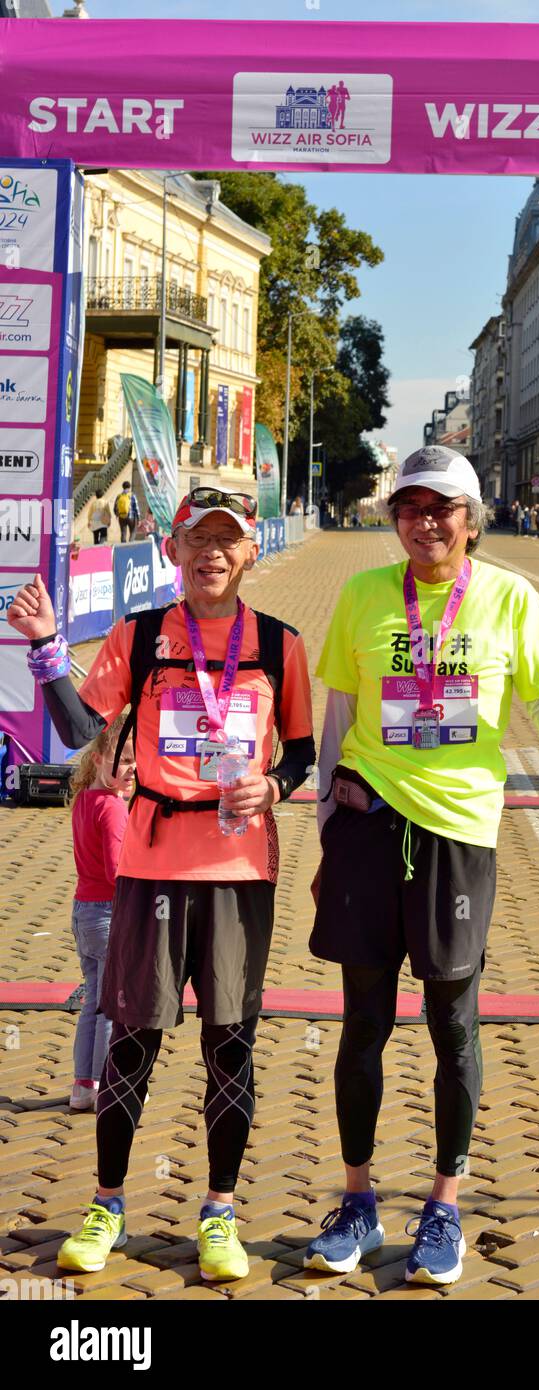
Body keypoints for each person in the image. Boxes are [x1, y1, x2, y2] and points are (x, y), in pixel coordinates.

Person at [304, 445, 539, 1287]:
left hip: (458, 839)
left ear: (472, 521)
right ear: (395, 518)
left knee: (452, 1027)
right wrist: (327, 833)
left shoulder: (507, 599)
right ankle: (356, 1203)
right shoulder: (362, 594)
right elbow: (339, 723)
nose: (425, 523)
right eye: (410, 508)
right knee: (362, 1025)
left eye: (442, 509)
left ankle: (443, 1207)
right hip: (367, 829)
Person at [7, 485, 316, 1284]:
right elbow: (82, 732)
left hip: (238, 869)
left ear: (250, 552)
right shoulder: (140, 636)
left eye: (228, 540)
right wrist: (46, 649)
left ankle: (219, 1212)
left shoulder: (280, 645)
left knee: (229, 1045)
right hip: (148, 867)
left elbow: (304, 753)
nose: (212, 552)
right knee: (134, 1041)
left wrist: (275, 786)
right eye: (196, 539)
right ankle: (107, 1204)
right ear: (171, 552)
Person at [67, 716, 135, 1114]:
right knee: (112, 1004)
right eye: (122, 760)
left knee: (93, 1000)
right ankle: (108, 1085)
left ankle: (83, 1084)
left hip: (83, 911)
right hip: (110, 913)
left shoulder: (85, 801)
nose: (131, 770)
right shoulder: (111, 808)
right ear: (97, 758)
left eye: (135, 763)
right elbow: (116, 870)